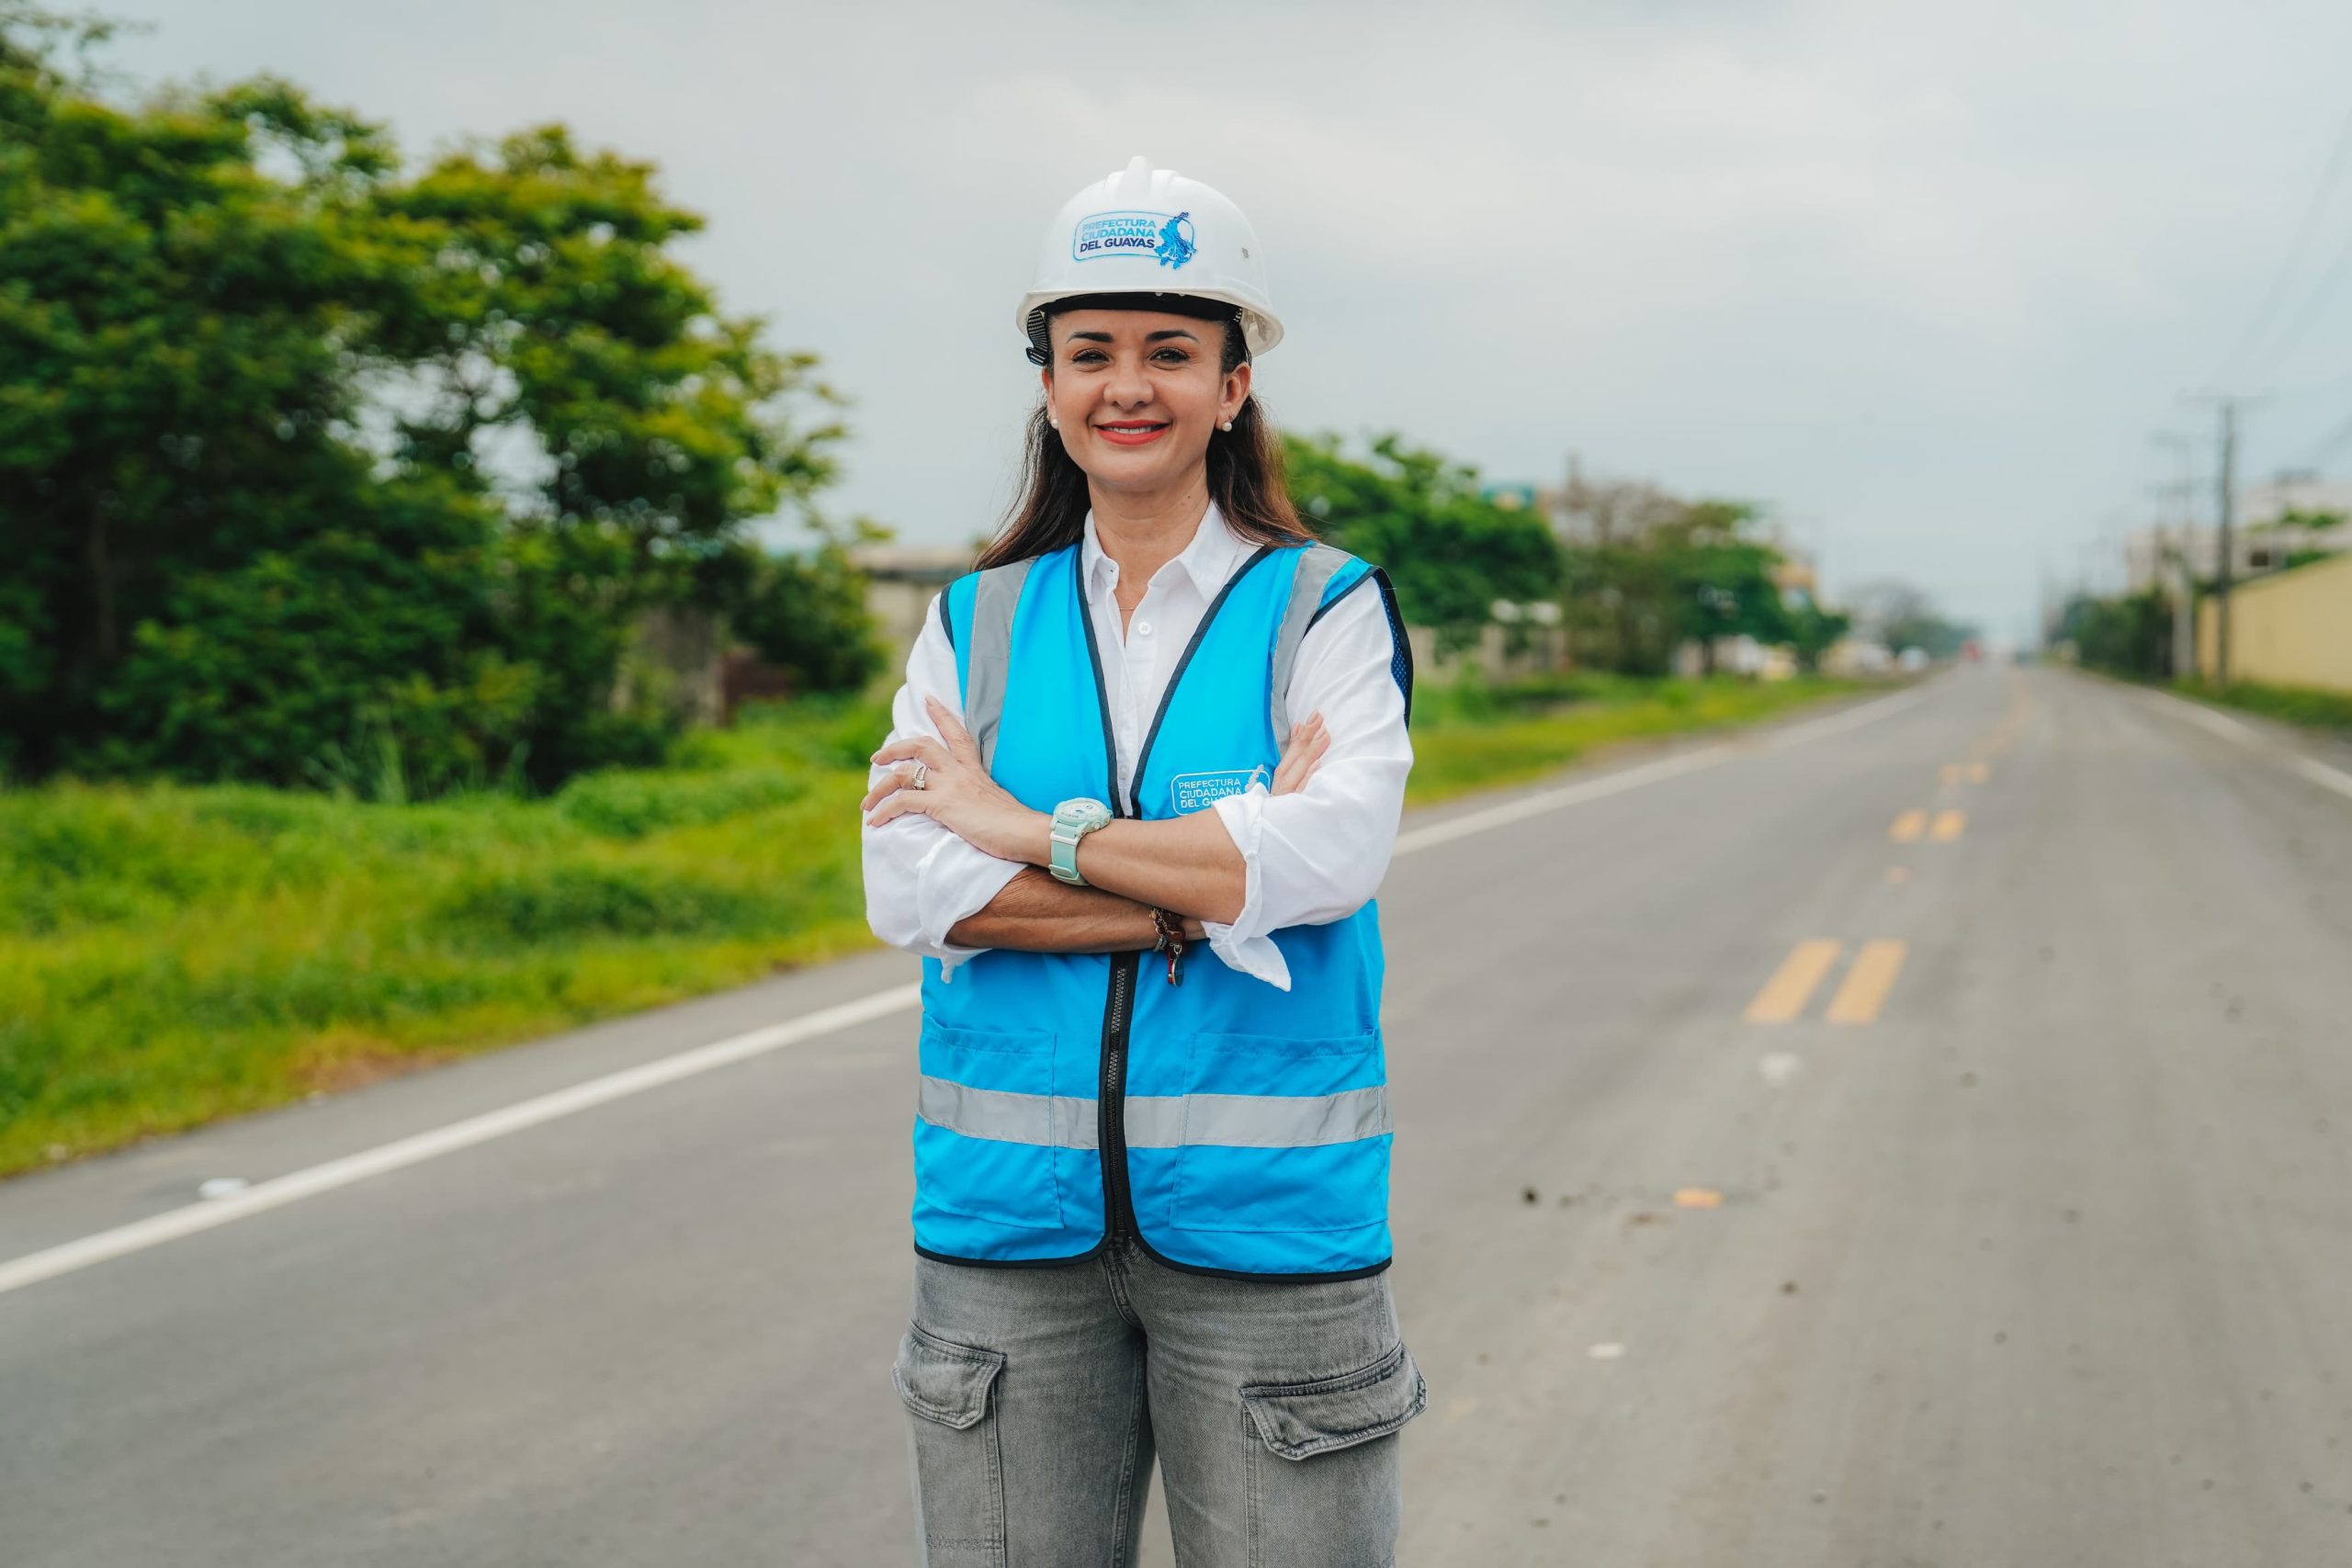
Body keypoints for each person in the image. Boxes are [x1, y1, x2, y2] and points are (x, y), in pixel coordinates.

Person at [860, 155, 1423, 1566]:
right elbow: (911, 888)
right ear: (1046, 378)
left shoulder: (1324, 609)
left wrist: (1030, 834)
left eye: (1172, 351)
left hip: (1270, 1244)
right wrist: (1199, 896)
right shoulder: (974, 622)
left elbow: (1331, 858)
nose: (1129, 385)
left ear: (1235, 384)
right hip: (1003, 1244)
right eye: (1090, 351)